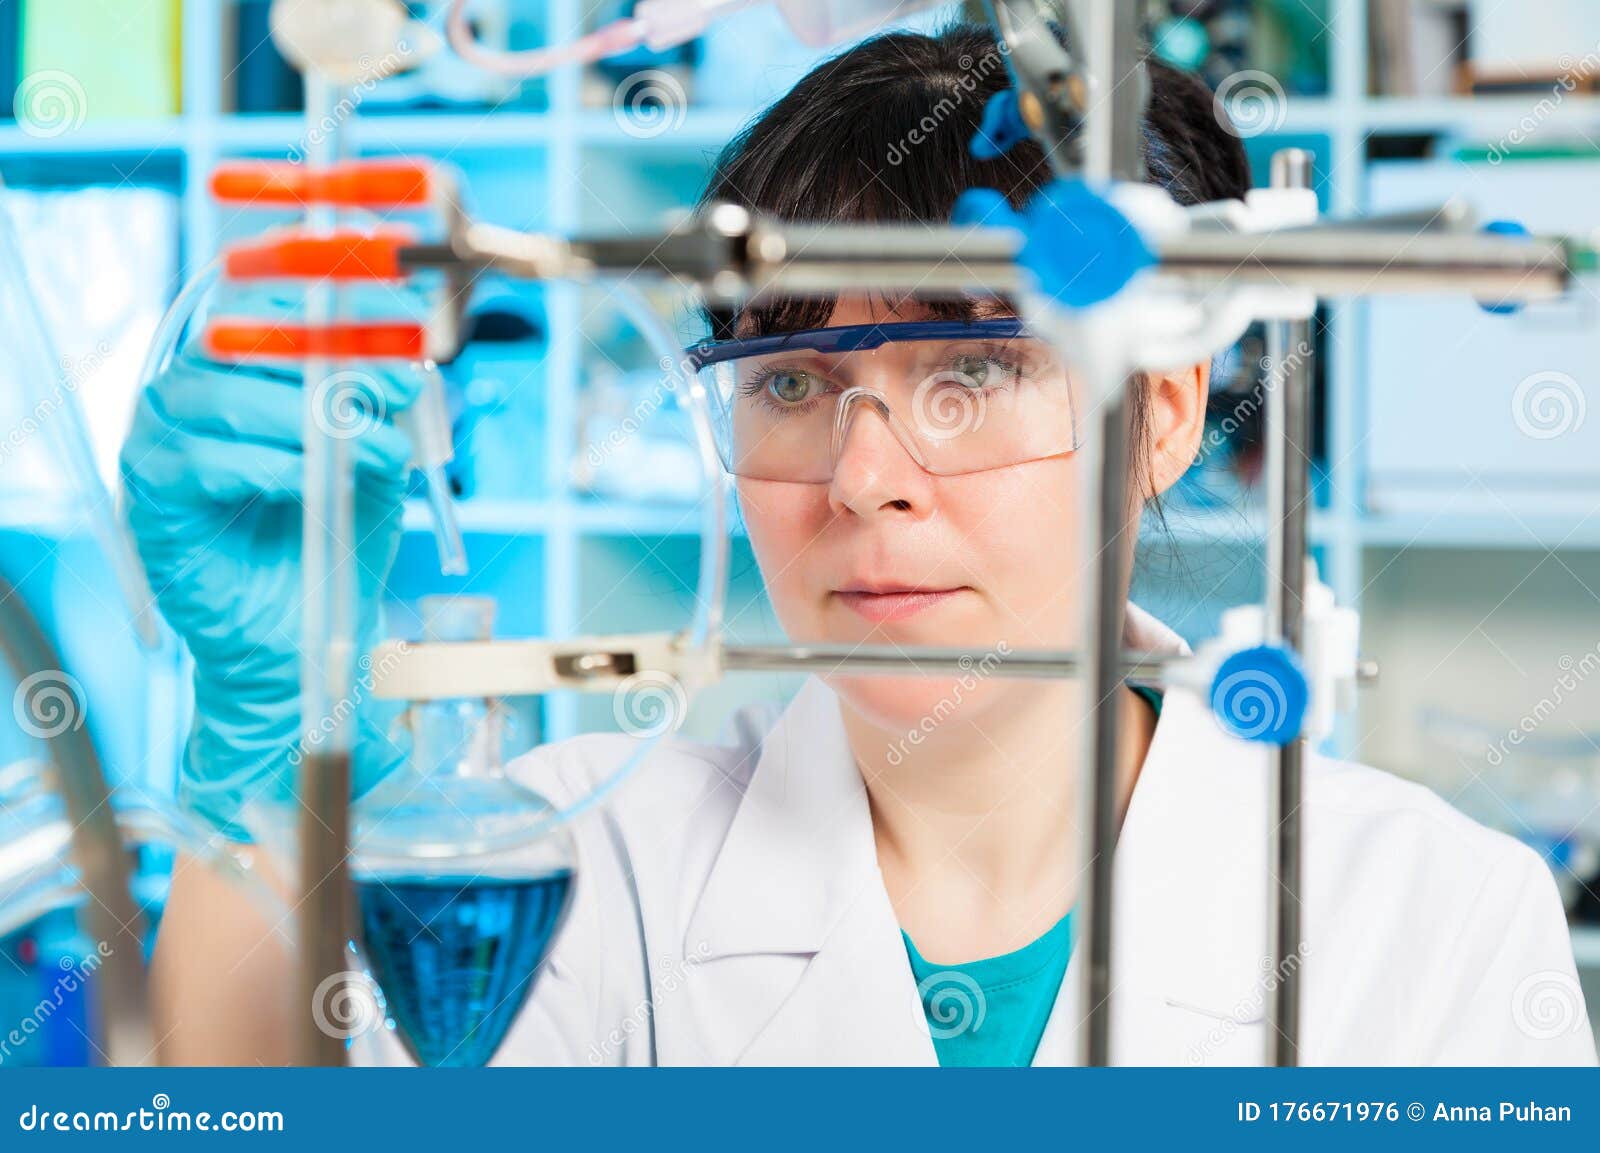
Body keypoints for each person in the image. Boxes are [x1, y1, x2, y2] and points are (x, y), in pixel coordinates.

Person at [126, 23, 1595, 1066]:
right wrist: (268, 733)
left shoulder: (1429, 917)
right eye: (789, 383)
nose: (864, 478)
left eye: (972, 373)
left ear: (1161, 415)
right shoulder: (569, 864)